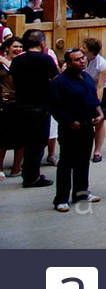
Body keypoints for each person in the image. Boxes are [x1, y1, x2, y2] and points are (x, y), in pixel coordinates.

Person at [49, 47, 102, 211]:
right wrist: (69, 120)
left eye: (82, 58)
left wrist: (99, 113)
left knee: (83, 160)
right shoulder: (60, 82)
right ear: (69, 63)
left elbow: (92, 98)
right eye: (77, 59)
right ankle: (61, 198)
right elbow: (54, 107)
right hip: (70, 128)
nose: (82, 61)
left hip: (87, 125)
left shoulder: (86, 77)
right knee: (66, 163)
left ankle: (81, 192)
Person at [9, 29, 56, 188]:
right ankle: (32, 176)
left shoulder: (17, 61)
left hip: (21, 105)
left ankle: (28, 173)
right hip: (41, 106)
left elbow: (13, 80)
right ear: (42, 43)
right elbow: (55, 80)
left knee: (27, 142)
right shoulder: (46, 60)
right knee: (38, 143)